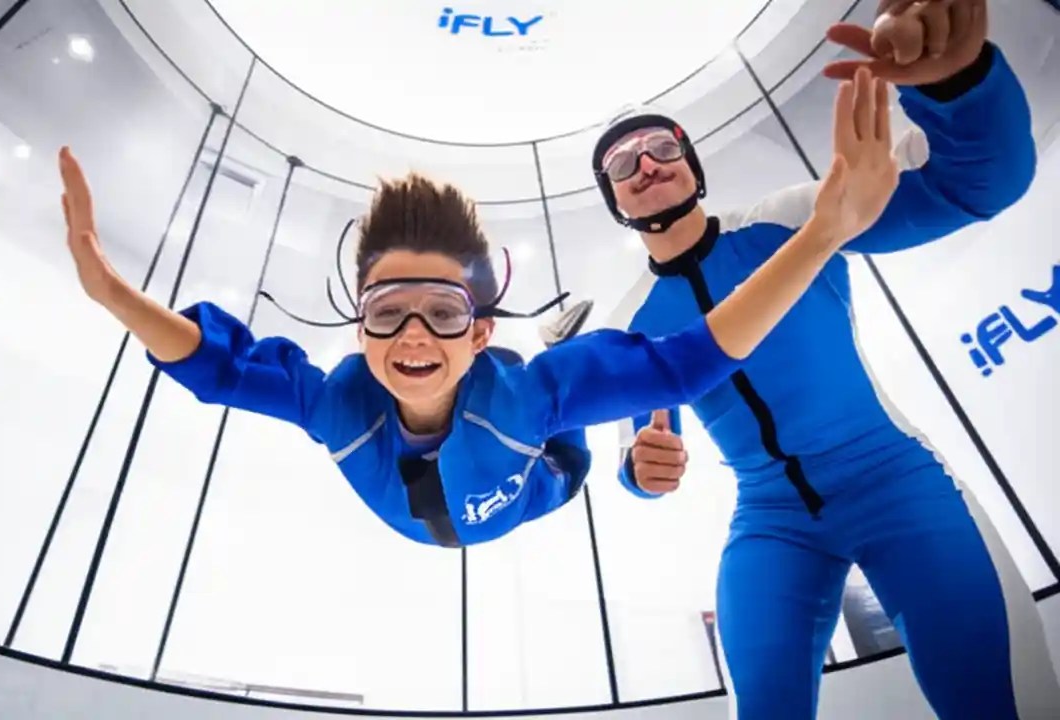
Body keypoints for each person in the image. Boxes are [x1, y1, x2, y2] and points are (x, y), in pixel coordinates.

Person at [57, 66, 897, 550]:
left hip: (543, 471)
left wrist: (820, 236)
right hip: (440, 498)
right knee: (565, 384)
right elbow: (220, 370)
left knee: (568, 392)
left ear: (480, 329)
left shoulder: (526, 391)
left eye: (442, 312)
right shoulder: (338, 401)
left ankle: (569, 339)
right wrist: (114, 297)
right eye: (387, 311)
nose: (414, 337)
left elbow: (688, 359)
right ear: (359, 327)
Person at [592, 1, 1060, 718]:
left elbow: (977, 186)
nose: (646, 163)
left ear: (691, 162)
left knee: (999, 704)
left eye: (660, 145)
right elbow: (646, 453)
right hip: (769, 521)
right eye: (623, 163)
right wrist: (638, 473)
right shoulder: (629, 321)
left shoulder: (788, 218)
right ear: (615, 201)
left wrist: (957, 85)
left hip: (894, 481)